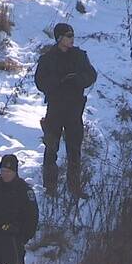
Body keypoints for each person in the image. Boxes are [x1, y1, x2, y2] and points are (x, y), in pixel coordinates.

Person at [34, 22, 97, 203]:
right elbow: (40, 82)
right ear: (59, 38)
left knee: (74, 150)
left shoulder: (79, 56)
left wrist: (77, 80)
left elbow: (91, 75)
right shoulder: (48, 59)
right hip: (55, 109)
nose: (71, 39)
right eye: (68, 36)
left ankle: (74, 187)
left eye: (72, 36)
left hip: (74, 109)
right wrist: (58, 82)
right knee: (51, 148)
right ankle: (50, 188)